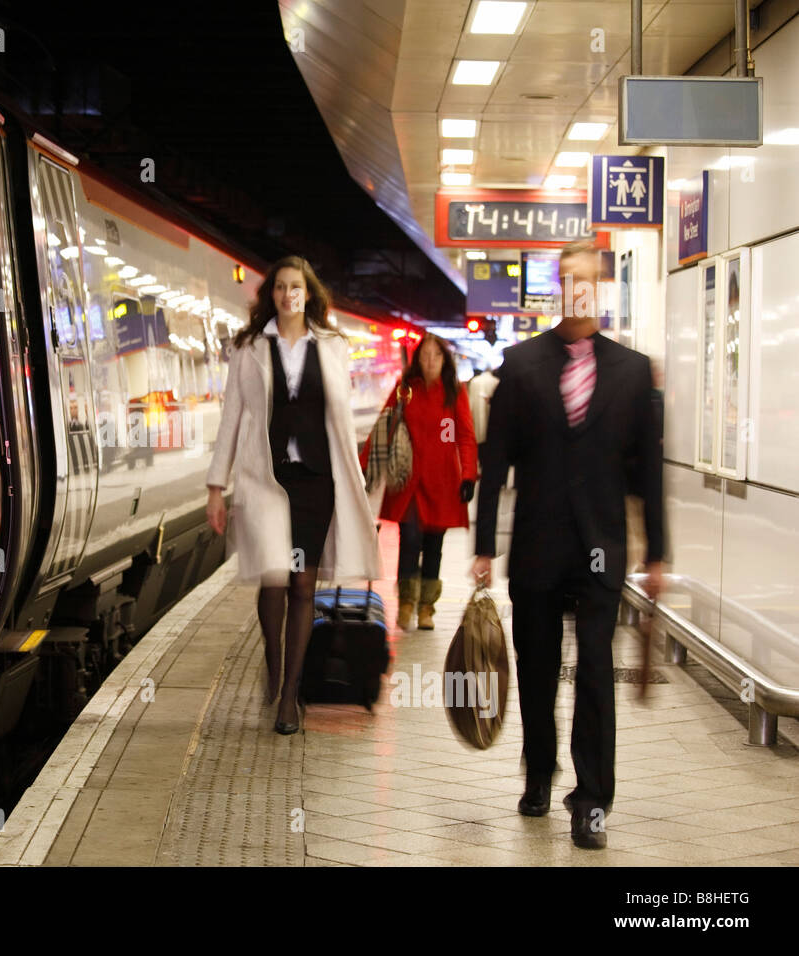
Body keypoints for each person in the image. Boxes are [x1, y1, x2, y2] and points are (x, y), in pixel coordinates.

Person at [471, 238, 665, 850]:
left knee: (597, 670)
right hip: (536, 543)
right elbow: (494, 461)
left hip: (601, 544)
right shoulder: (519, 364)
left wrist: (657, 552)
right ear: (557, 286)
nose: (579, 287)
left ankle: (591, 801)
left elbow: (649, 472)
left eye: (589, 278)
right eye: (569, 278)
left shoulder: (634, 373)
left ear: (602, 287)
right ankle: (538, 769)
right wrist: (482, 548)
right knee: (536, 666)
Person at [206, 256, 381, 735]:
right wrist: (216, 486)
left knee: (303, 584)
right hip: (266, 478)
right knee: (275, 578)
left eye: (296, 287)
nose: (288, 295)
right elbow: (232, 419)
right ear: (272, 295)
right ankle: (274, 657)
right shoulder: (249, 348)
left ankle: (289, 695)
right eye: (280, 287)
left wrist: (360, 487)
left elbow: (340, 422)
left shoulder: (331, 346)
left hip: (315, 481)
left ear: (309, 294)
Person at [361, 333, 477, 631]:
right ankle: (407, 603)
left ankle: (427, 607)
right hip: (408, 482)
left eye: (436, 356)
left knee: (434, 545)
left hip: (442, 482)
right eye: (424, 356)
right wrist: (361, 468)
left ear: (444, 360)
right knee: (410, 539)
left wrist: (468, 475)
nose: (430, 361)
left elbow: (463, 435)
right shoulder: (404, 391)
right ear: (416, 359)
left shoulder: (454, 391)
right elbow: (382, 428)